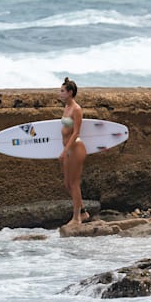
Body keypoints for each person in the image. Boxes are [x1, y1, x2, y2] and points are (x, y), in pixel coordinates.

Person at [59, 77, 89, 227]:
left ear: (70, 92)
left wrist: (65, 150)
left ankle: (76, 218)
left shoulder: (77, 109)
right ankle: (83, 211)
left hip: (76, 148)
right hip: (68, 149)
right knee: (67, 184)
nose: (60, 94)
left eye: (62, 91)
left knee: (74, 183)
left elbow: (76, 132)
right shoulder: (66, 107)